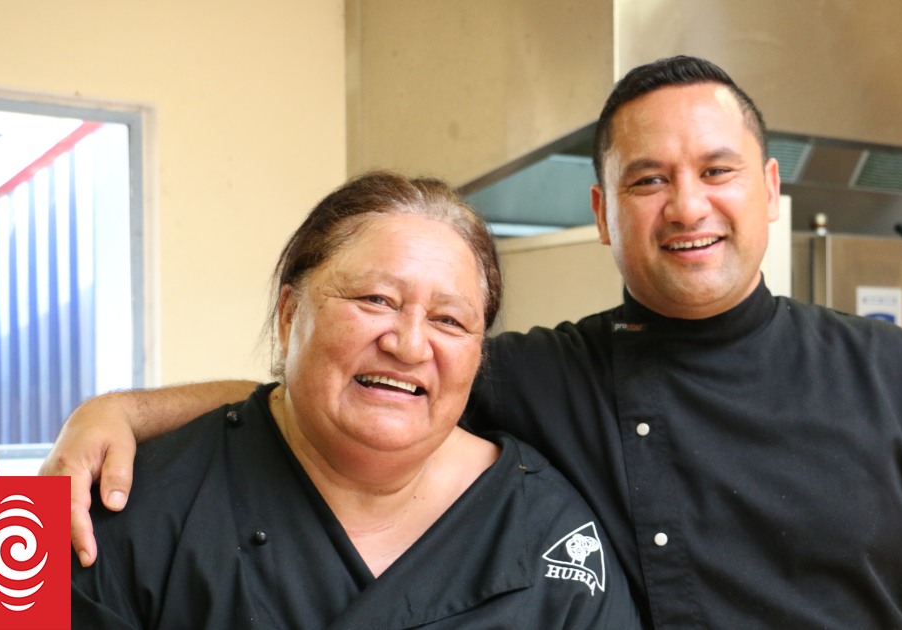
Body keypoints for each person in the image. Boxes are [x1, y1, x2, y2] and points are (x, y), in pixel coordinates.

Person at [49, 57, 902, 628]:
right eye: (647, 179)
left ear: (769, 191)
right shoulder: (543, 374)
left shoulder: (895, 373)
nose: (686, 206)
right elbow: (350, 392)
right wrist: (121, 410)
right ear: (605, 212)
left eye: (717, 170)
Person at [68, 172, 641, 628]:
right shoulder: (100, 498)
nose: (410, 344)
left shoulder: (551, 532)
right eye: (375, 299)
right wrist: (103, 414)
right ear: (290, 314)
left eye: (449, 319)